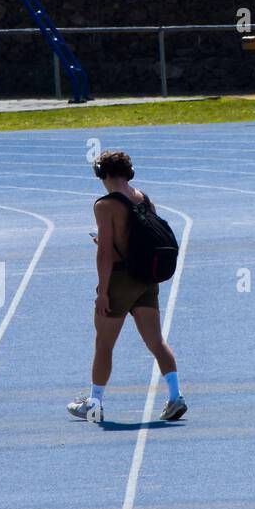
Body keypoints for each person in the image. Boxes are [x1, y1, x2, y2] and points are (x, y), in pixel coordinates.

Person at [67, 150, 186, 422]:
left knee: (104, 344)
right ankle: (175, 396)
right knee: (156, 342)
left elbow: (106, 254)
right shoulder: (142, 197)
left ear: (102, 173)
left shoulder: (104, 205)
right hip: (147, 279)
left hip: (121, 279)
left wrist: (103, 292)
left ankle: (94, 403)